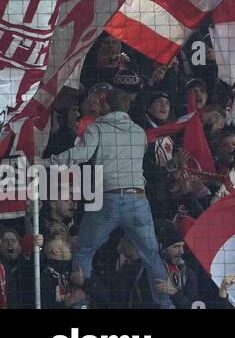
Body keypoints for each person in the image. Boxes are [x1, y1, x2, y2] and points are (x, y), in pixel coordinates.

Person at [42, 87, 174, 308]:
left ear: (106, 106)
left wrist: (47, 162)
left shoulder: (98, 129)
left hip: (108, 199)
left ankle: (80, 302)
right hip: (137, 200)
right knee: (152, 255)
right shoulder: (139, 132)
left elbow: (80, 155)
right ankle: (167, 305)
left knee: (84, 251)